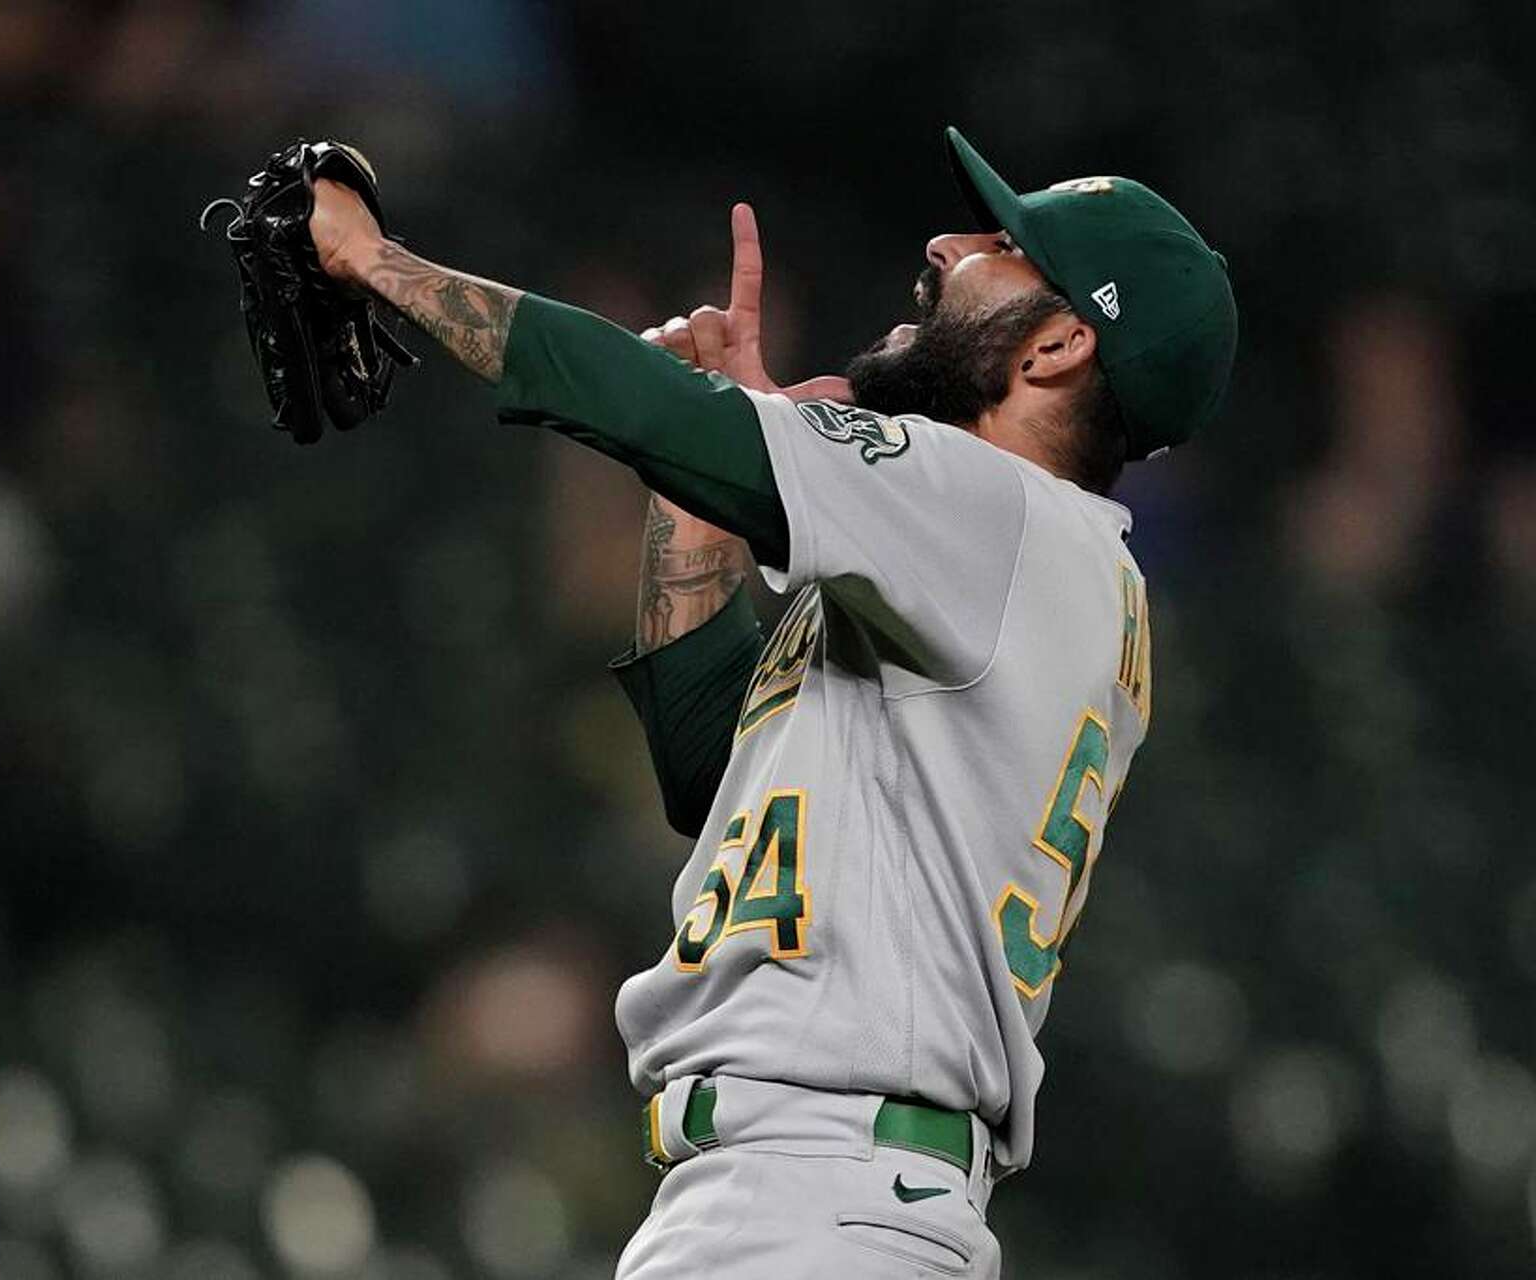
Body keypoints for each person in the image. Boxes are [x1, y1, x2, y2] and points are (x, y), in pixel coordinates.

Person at [306, 127, 1237, 1278]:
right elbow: (709, 769)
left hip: (819, 1195)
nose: (950, 245)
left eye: (1004, 245)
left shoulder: (999, 513)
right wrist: (699, 497)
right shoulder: (999, 565)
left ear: (1058, 343)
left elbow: (651, 409)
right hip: (808, 1198)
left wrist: (372, 260)